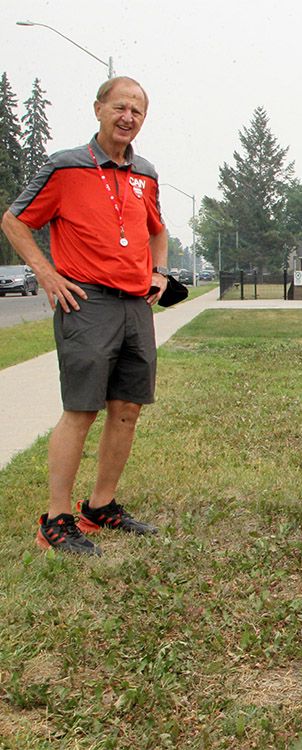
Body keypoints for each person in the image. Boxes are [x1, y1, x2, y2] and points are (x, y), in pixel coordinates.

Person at [1, 76, 167, 555]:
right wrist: (46, 274)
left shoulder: (147, 175)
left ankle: (101, 506)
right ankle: (55, 519)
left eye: (137, 110)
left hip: (135, 306)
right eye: (120, 106)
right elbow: (14, 220)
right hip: (86, 302)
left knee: (127, 410)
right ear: (98, 108)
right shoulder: (65, 167)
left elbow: (158, 230)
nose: (128, 117)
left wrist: (158, 272)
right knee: (82, 410)